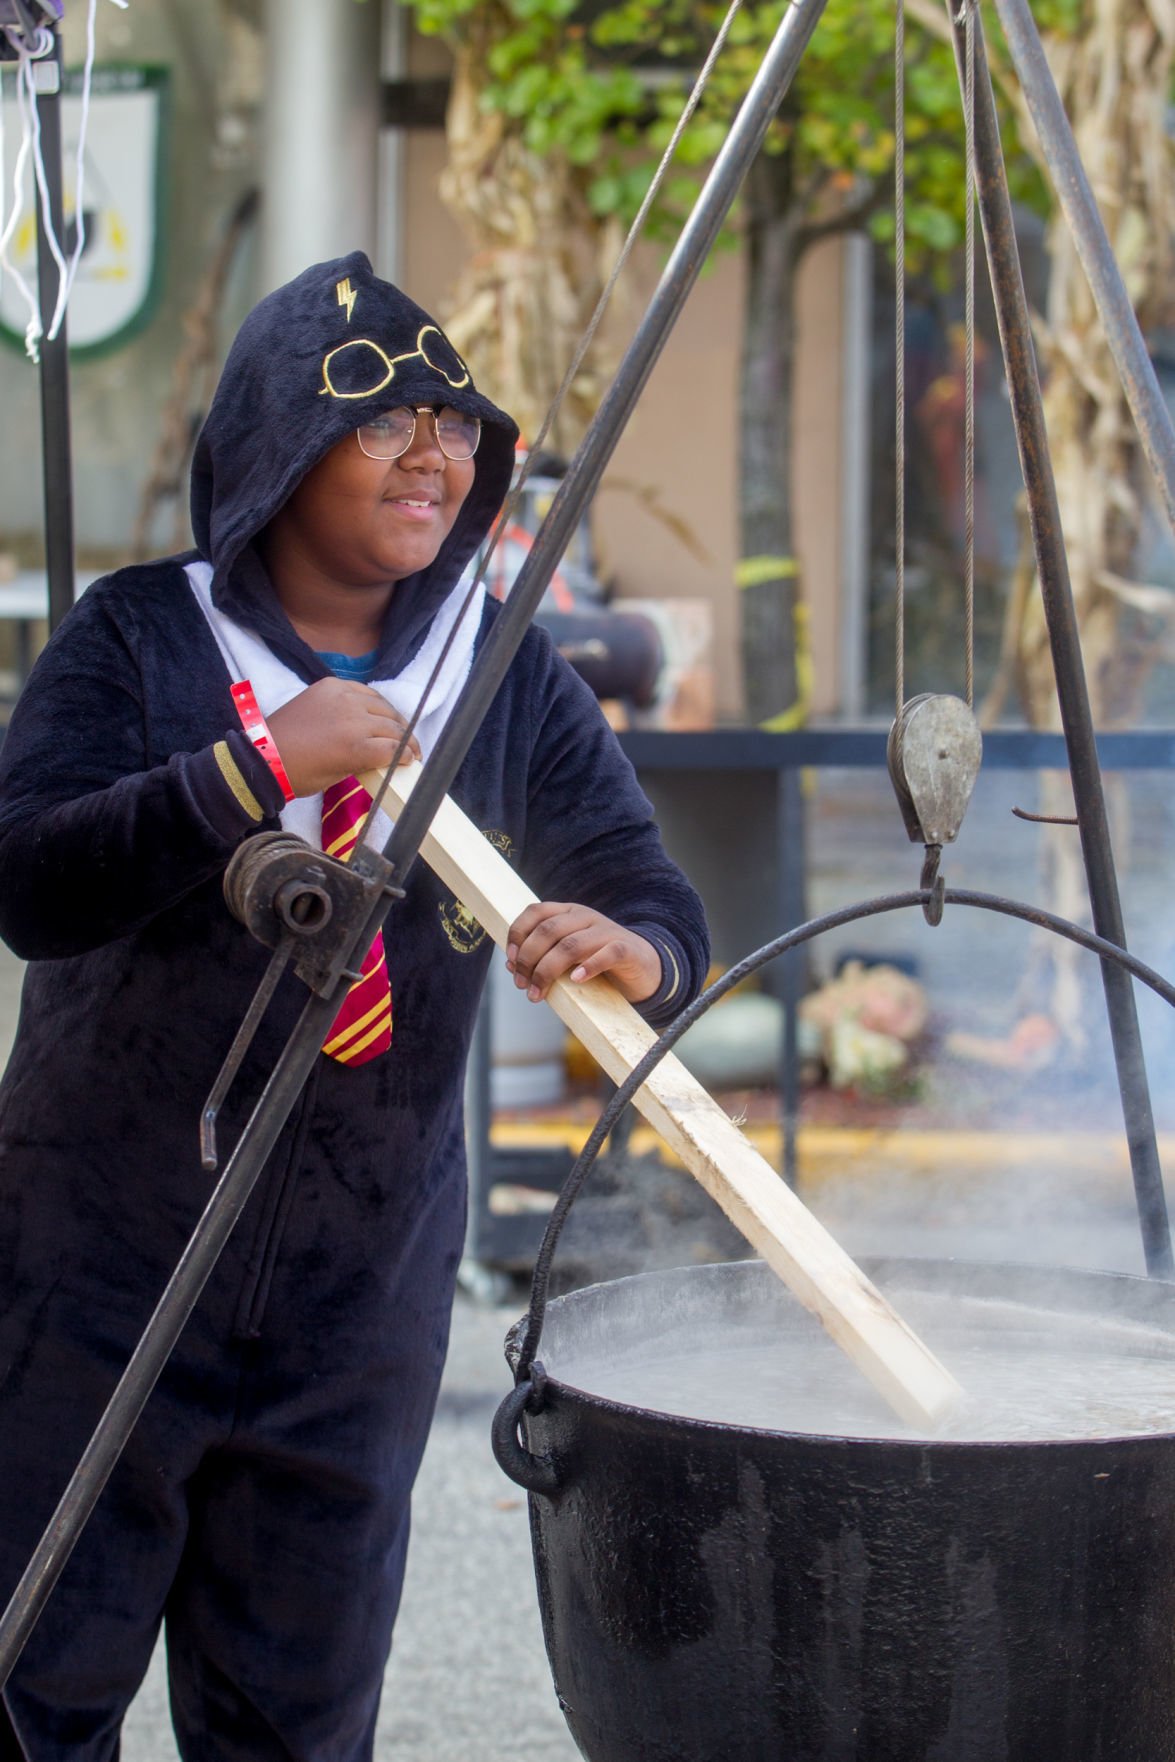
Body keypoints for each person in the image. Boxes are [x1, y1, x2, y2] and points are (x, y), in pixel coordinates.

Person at [0, 251, 709, 1760]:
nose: (434, 453)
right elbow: (28, 879)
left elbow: (656, 901)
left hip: (355, 1304)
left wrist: (635, 949)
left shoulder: (503, 673)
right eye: (385, 420)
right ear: (274, 447)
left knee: (300, 1722)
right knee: (32, 1688)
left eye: (456, 423)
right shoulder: (140, 636)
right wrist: (259, 770)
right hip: (90, 1282)